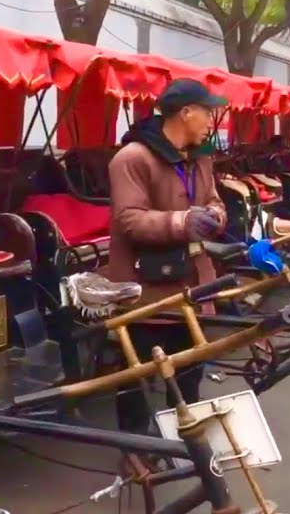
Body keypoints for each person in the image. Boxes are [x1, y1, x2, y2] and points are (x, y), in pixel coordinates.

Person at [108, 78, 227, 429]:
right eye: (207, 112)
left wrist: (215, 217)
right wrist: (183, 221)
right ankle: (135, 454)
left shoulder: (201, 159)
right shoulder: (132, 158)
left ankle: (189, 445)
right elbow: (129, 220)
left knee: (191, 375)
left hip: (193, 287)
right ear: (186, 112)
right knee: (138, 379)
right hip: (147, 292)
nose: (211, 121)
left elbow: (215, 201)